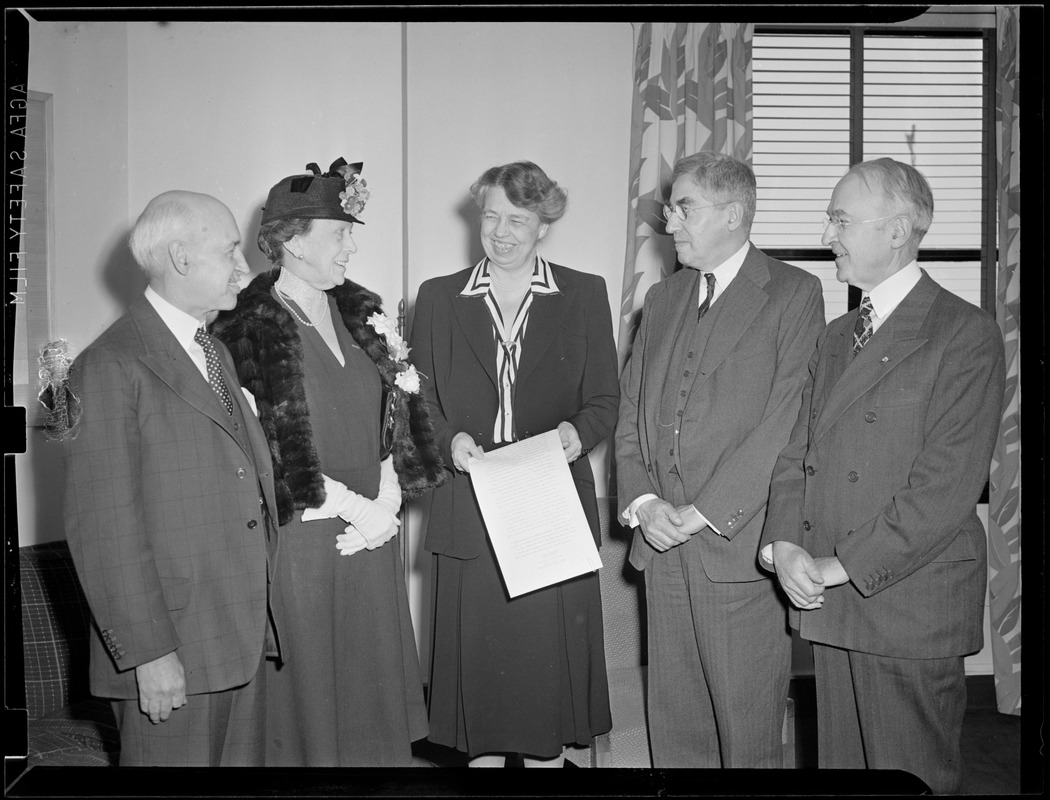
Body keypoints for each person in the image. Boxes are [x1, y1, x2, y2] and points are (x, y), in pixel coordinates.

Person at [760, 158, 1006, 794]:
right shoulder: (838, 335)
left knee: (911, 781)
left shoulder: (965, 333)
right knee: (844, 782)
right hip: (832, 598)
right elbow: (797, 453)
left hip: (905, 604)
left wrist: (838, 565)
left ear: (898, 230)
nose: (827, 233)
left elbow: (944, 491)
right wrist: (783, 542)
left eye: (840, 219)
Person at [210, 159, 445, 766]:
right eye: (339, 232)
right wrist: (353, 509)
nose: (352, 244)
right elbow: (258, 450)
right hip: (308, 539)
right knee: (310, 712)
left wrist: (387, 504)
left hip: (374, 534)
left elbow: (399, 413)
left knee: (372, 700)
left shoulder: (360, 311)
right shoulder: (244, 326)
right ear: (291, 242)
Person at [615, 151, 825, 768]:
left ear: (733, 214)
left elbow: (786, 422)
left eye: (685, 208)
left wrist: (702, 512)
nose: (669, 221)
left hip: (738, 552)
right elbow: (631, 415)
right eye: (669, 208)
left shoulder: (793, 293)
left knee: (746, 739)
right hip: (660, 547)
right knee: (675, 735)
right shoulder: (661, 299)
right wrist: (645, 502)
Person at [409, 161, 617, 768]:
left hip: (551, 500)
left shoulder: (584, 292)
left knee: (543, 691)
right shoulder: (439, 296)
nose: (502, 232)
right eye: (492, 217)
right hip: (468, 501)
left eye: (518, 220)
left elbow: (605, 399)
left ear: (544, 224)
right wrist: (449, 443)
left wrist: (574, 438)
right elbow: (417, 398)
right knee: (479, 698)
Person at [64, 191, 282, 766]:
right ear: (181, 258)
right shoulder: (109, 364)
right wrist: (149, 654)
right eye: (231, 250)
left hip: (235, 639)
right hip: (173, 656)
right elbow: (104, 527)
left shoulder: (211, 351)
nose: (244, 266)